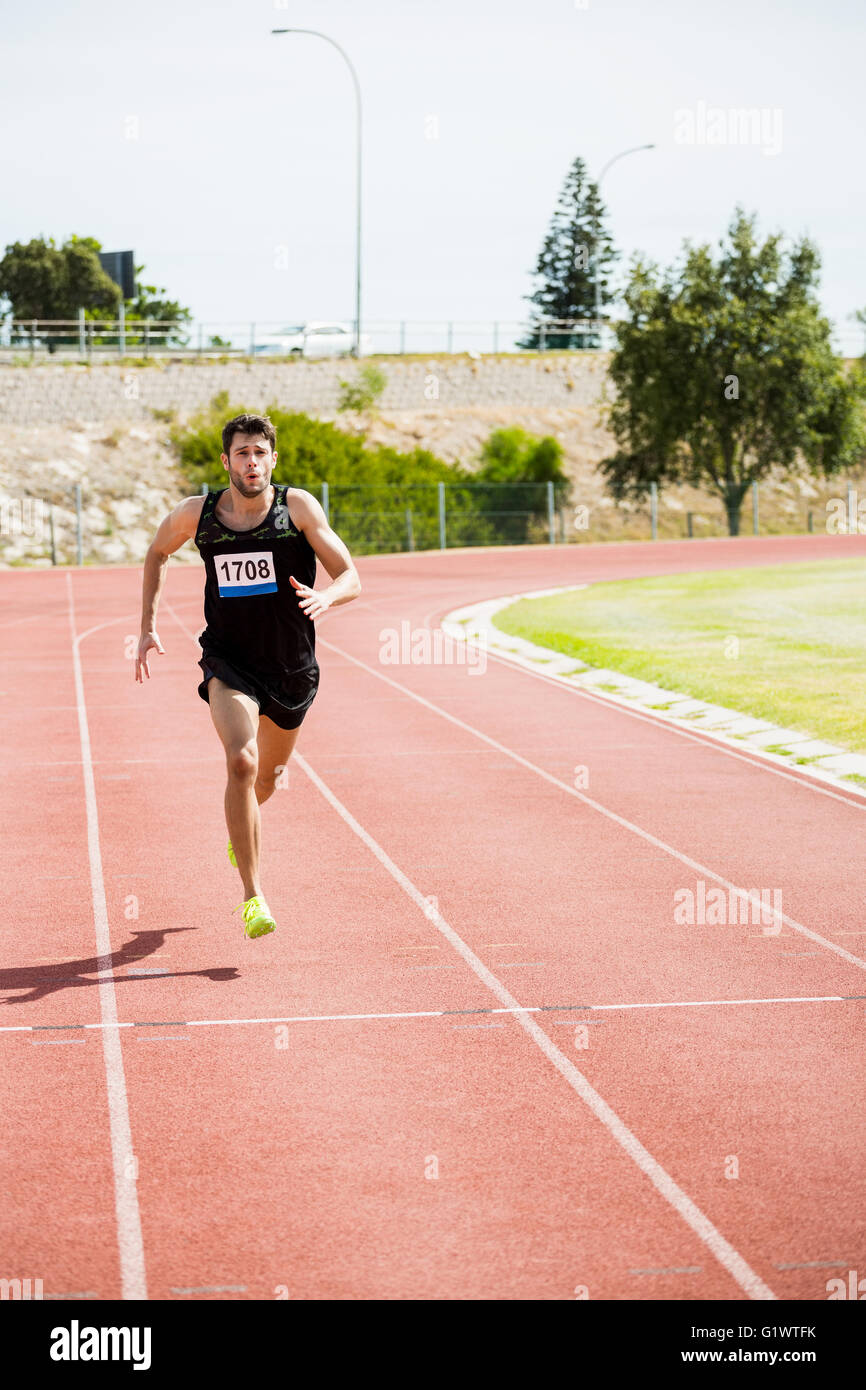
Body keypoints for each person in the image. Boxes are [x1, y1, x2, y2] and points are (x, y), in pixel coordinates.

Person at [135, 412, 361, 938]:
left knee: (267, 779)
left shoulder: (297, 508)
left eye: (260, 452)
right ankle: (253, 895)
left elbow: (350, 574)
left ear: (273, 459)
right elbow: (156, 552)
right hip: (229, 662)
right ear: (225, 461)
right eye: (242, 453)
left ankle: (243, 827)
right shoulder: (199, 514)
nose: (251, 462)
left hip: (291, 668)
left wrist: (327, 594)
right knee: (241, 761)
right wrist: (145, 626)